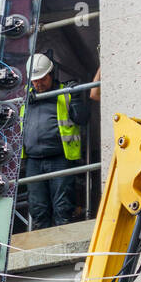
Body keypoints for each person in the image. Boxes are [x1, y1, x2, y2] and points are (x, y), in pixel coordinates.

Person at [20, 53, 88, 229]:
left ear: (51, 74)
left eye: (41, 79)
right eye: (34, 81)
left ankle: (64, 247)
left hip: (59, 158)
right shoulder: (25, 99)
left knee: (63, 207)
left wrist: (77, 99)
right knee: (37, 208)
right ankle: (40, 250)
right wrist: (26, 101)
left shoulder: (65, 93)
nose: (38, 84)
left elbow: (82, 119)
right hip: (33, 160)